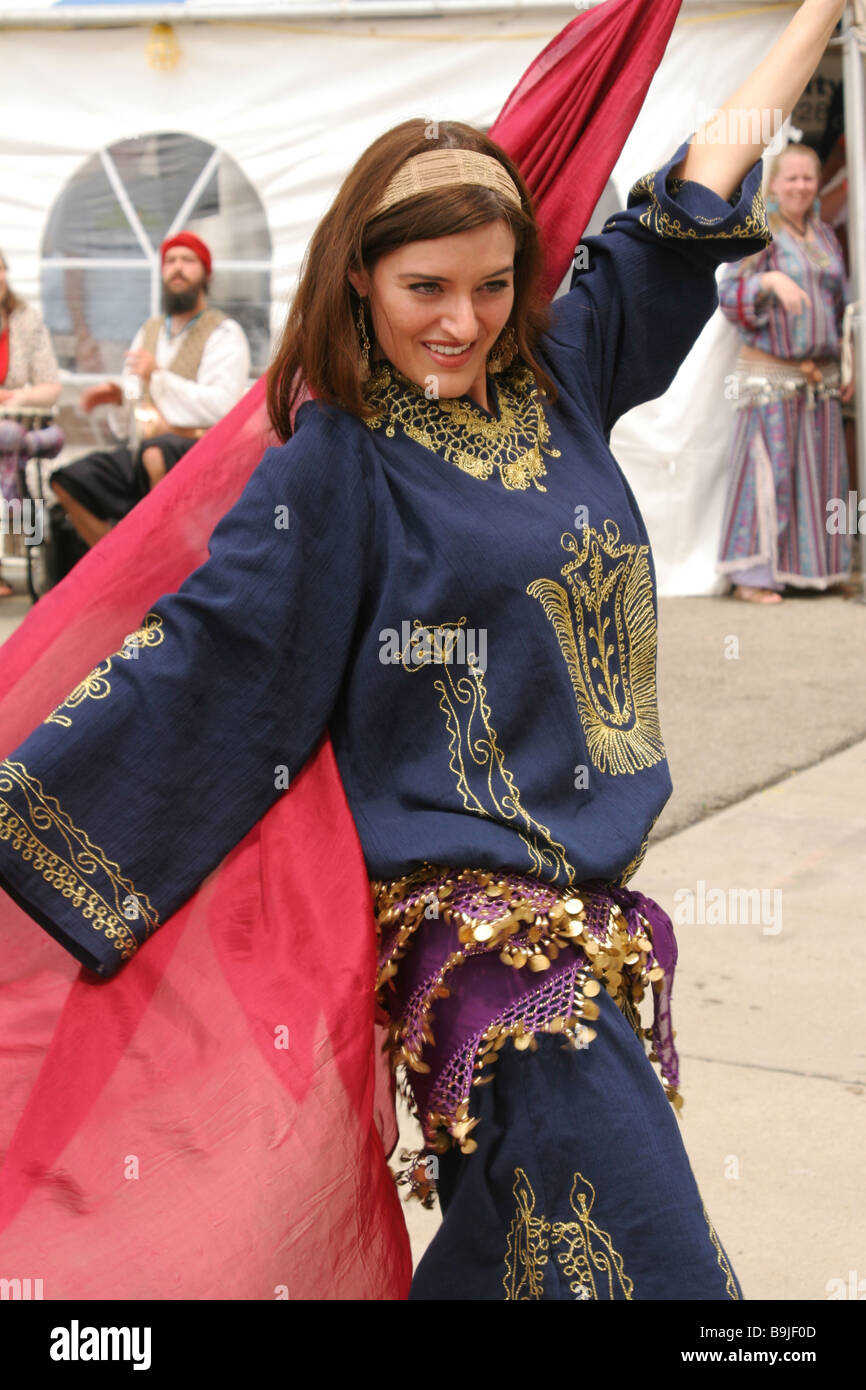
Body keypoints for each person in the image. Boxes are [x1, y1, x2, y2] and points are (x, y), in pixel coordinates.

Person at [0, 0, 844, 1302]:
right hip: (480, 957)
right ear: (358, 281)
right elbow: (205, 661)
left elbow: (700, 179)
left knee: (523, 1262)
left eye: (490, 284)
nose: (460, 320)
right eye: (424, 290)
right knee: (660, 1271)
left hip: (595, 933)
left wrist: (816, 13)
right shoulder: (337, 462)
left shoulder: (563, 367)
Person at [49, 232, 250, 550]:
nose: (177, 268)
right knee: (68, 479)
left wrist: (159, 376)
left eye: (188, 260)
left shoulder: (224, 333)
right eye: (170, 261)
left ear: (205, 274)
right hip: (144, 450)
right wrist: (118, 399)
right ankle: (117, 565)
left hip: (198, 452)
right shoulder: (149, 330)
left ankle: (160, 562)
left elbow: (222, 407)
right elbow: (133, 404)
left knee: (155, 453)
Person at [716, 140, 854, 602]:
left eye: (808, 177)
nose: (800, 186)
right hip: (771, 378)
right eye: (791, 177)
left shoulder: (825, 236)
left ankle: (816, 572)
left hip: (820, 380)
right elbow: (728, 293)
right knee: (768, 471)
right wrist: (769, 281)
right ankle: (751, 579)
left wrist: (847, 365)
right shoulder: (761, 234)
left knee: (822, 477)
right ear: (774, 183)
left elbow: (842, 308)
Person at [0, 251, 61, 597]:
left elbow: (50, 385)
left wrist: (15, 398)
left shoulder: (26, 320)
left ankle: (41, 557)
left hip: (19, 430)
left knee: (29, 487)